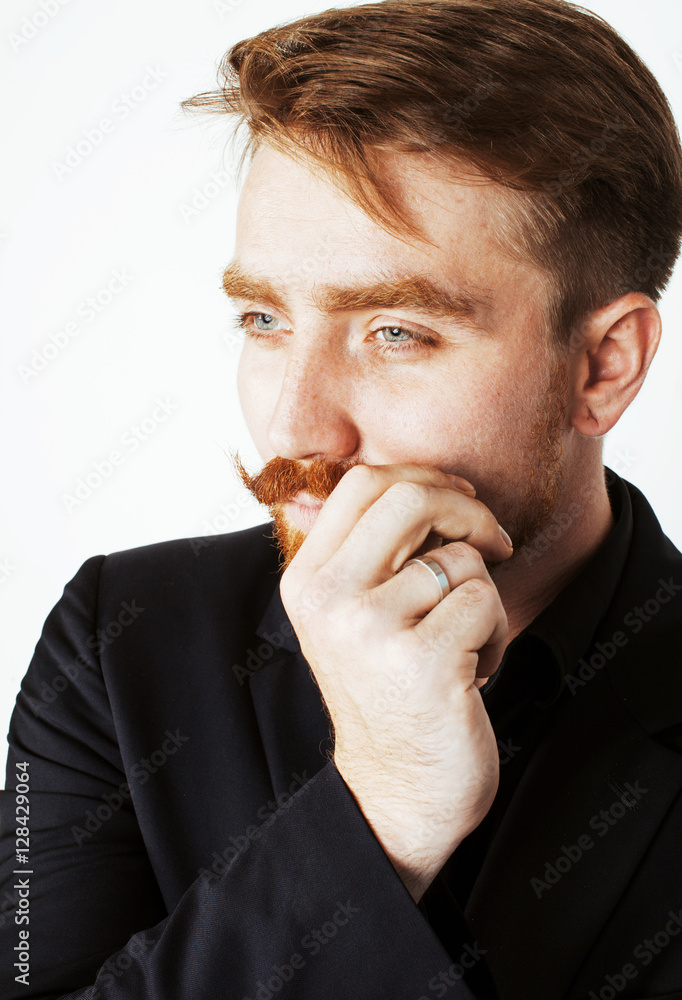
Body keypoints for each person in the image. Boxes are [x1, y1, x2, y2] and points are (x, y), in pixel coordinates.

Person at [2, 0, 682, 997]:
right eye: (264, 316)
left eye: (395, 331)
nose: (296, 430)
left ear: (601, 365)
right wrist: (377, 813)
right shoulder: (115, 646)